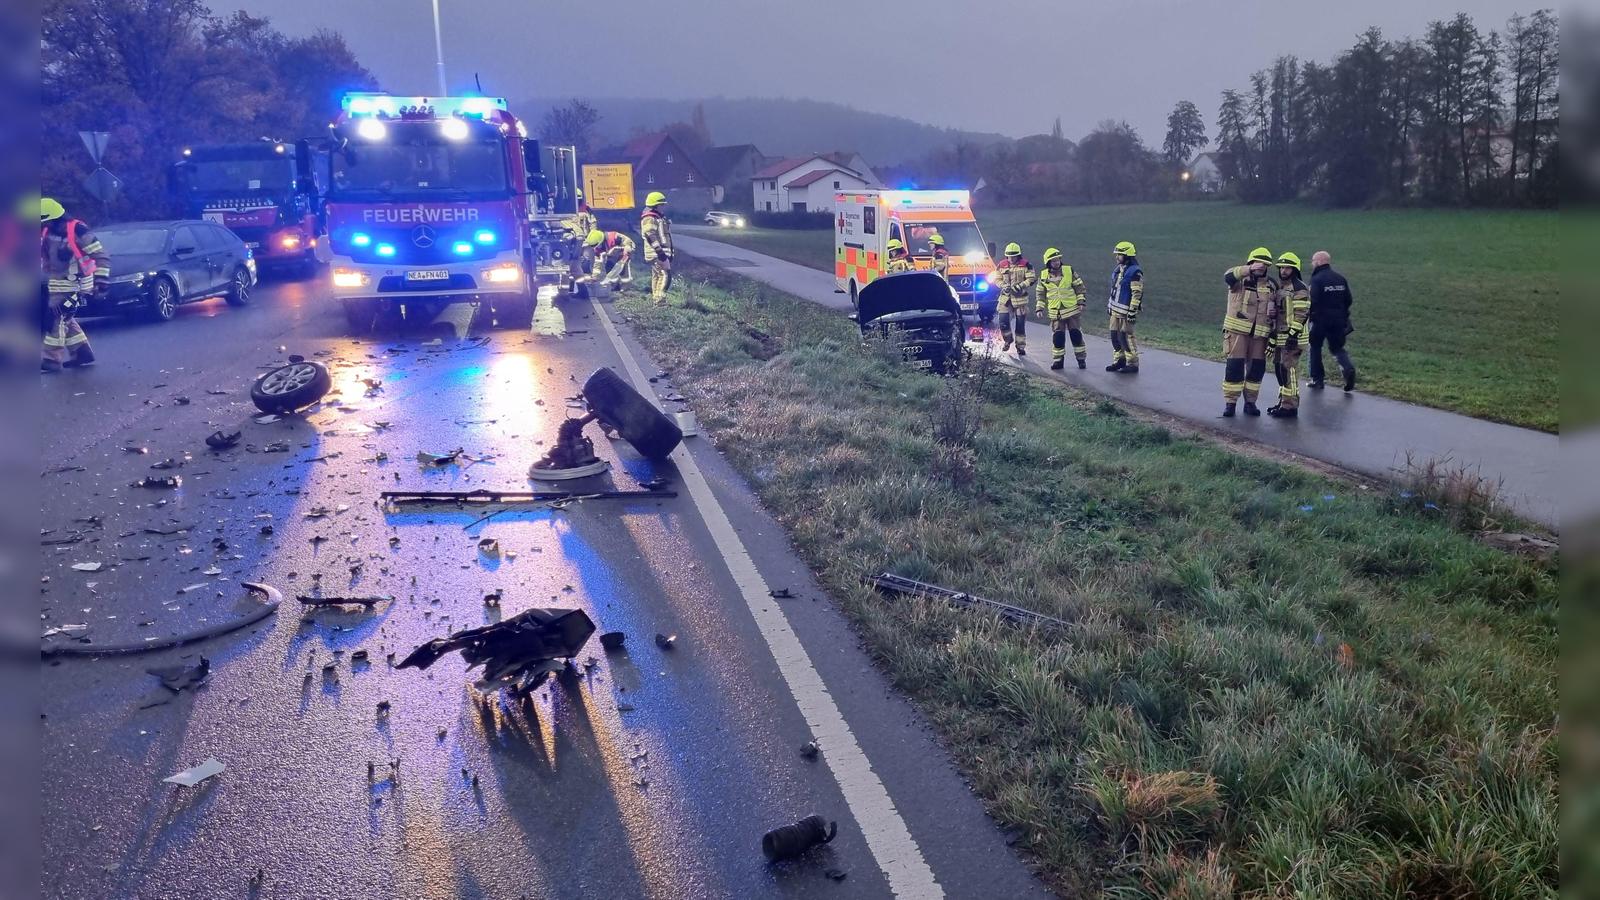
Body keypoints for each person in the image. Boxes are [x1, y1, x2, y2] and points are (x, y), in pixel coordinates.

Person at [39, 197, 107, 371]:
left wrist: (101, 281)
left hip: (76, 282)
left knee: (56, 317)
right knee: (65, 317)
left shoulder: (78, 230)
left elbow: (101, 256)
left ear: (52, 218)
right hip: (57, 282)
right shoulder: (47, 230)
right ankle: (82, 352)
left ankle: (51, 359)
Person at [1220, 247, 1278, 417]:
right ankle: (1230, 404)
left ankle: (1250, 403)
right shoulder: (1239, 279)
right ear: (1250, 262)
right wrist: (1248, 269)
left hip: (1260, 336)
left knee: (1256, 371)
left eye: (1265, 264)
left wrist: (1273, 317)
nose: (1261, 266)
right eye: (1257, 263)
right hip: (1237, 333)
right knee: (1234, 368)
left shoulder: (1271, 285)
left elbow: (1276, 307)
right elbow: (1228, 276)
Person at [1267, 251, 1310, 418]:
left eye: (1287, 268)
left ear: (1295, 269)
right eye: (1281, 267)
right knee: (1280, 370)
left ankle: (1290, 407)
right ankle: (1283, 402)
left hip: (1293, 338)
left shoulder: (1299, 288)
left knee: (1288, 371)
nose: (1283, 270)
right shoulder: (1281, 287)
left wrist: (1292, 335)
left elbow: (1301, 314)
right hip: (1281, 336)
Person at [1308, 250, 1356, 392]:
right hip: (1339, 320)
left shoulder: (1316, 279)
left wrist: (1310, 315)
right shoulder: (1340, 278)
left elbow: (1312, 301)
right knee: (1337, 347)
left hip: (1320, 320)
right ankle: (1347, 368)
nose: (1312, 264)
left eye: (1313, 261)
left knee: (1315, 346)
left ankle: (1317, 379)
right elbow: (1348, 299)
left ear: (1318, 262)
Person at [1035, 247, 1088, 370]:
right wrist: (1039, 308)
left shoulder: (1069, 270)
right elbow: (1040, 293)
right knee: (1058, 338)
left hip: (1072, 310)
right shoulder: (1043, 275)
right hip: (1056, 313)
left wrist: (1081, 302)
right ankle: (1058, 361)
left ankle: (1081, 359)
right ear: (1048, 262)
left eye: (1058, 260)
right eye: (1054, 261)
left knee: (1076, 335)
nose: (1057, 262)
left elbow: (1079, 287)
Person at [1105, 240, 1142, 373]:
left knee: (1126, 338)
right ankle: (1119, 360)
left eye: (1119, 254)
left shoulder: (1135, 272)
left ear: (1127, 255)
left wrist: (1132, 311)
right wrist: (1110, 307)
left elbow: (1136, 294)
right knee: (1115, 337)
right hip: (1115, 311)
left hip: (1126, 312)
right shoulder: (1119, 270)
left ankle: (1132, 364)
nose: (1116, 257)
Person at [992, 242, 1035, 356]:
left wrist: (1020, 286)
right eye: (1009, 256)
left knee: (1020, 325)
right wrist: (1003, 285)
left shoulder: (1026, 265)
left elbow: (1031, 279)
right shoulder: (1001, 265)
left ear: (1018, 255)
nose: (1011, 258)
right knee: (1003, 321)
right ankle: (1007, 340)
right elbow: (997, 279)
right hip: (1005, 298)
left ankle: (1020, 346)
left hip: (1020, 299)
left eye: (1013, 256)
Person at [639, 191, 673, 302]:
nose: (663, 207)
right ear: (655, 205)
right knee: (665, 275)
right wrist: (661, 254)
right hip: (657, 254)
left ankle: (656, 299)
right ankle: (660, 300)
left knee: (657, 275)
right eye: (661, 205)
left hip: (658, 253)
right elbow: (650, 235)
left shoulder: (657, 217)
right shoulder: (650, 218)